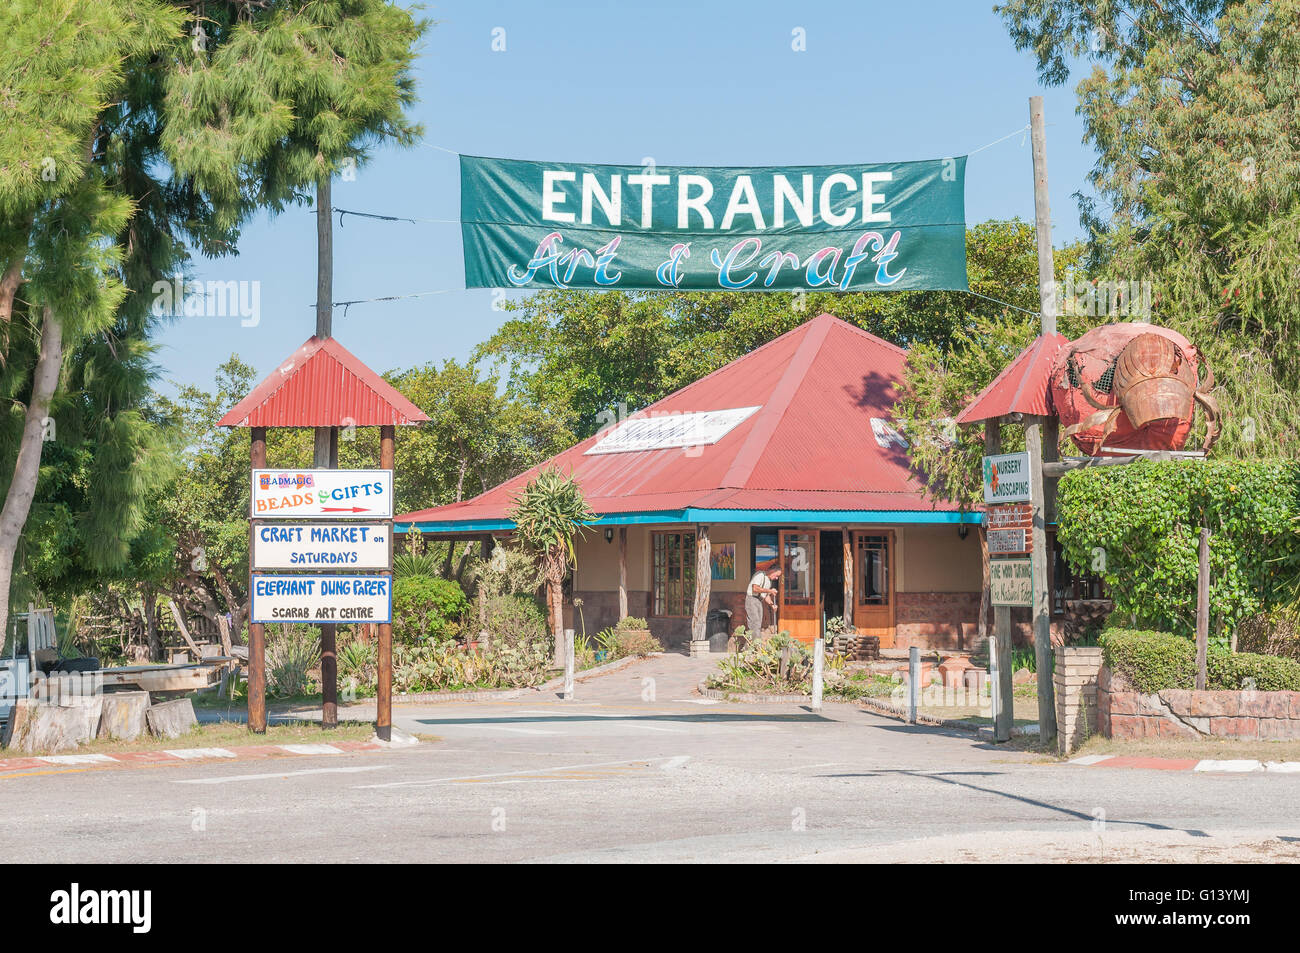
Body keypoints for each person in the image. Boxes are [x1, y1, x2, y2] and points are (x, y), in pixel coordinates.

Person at [745, 566, 782, 637]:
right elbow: (755, 588)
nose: (776, 578)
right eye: (777, 575)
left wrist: (772, 605)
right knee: (754, 623)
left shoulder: (769, 582)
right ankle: (756, 645)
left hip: (759, 601)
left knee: (758, 624)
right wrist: (770, 590)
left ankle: (753, 644)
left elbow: (765, 596)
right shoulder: (760, 575)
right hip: (752, 599)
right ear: (772, 571)